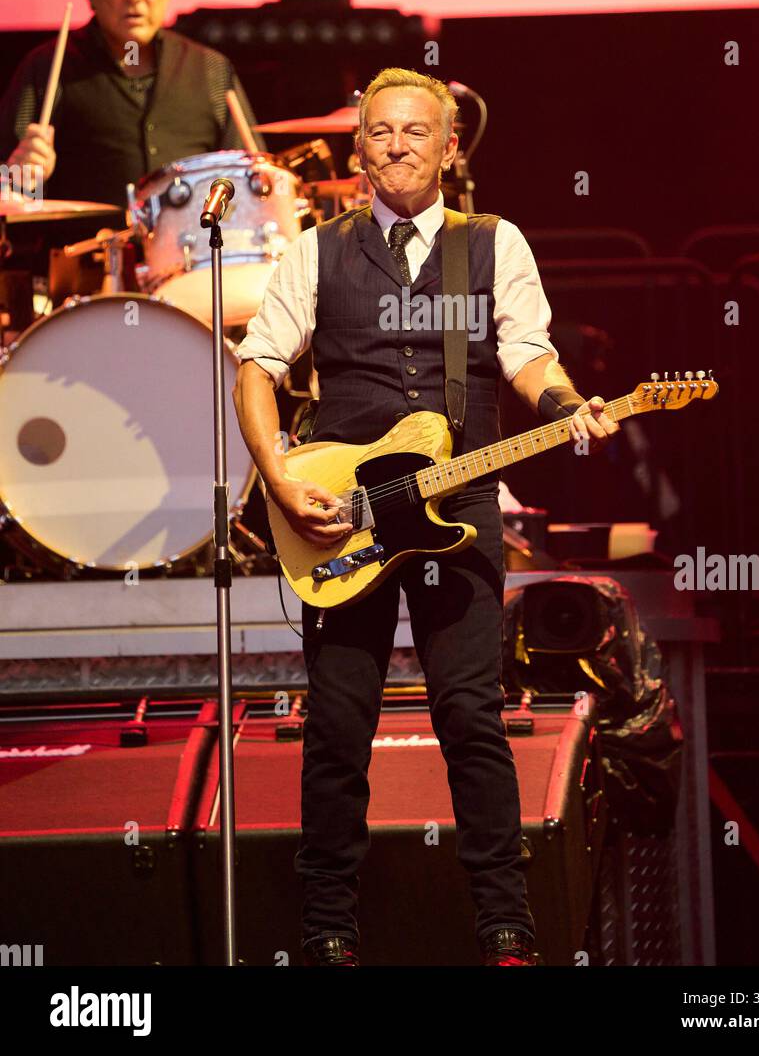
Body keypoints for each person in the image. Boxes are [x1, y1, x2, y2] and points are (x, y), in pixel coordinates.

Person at [232, 67, 619, 967]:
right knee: (337, 723)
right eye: (381, 131)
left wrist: (568, 407)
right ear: (359, 149)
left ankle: (506, 926)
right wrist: (280, 479)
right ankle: (329, 928)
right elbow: (257, 368)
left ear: (449, 148)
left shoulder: (493, 242)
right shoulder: (315, 251)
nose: (398, 144)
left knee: (471, 714)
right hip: (345, 506)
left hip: (459, 499)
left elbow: (528, 353)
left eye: (416, 131)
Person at [0, 0, 259, 212]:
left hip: (196, 240)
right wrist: (21, 178)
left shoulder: (210, 70)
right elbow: (8, 188)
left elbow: (251, 180)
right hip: (87, 242)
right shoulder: (48, 69)